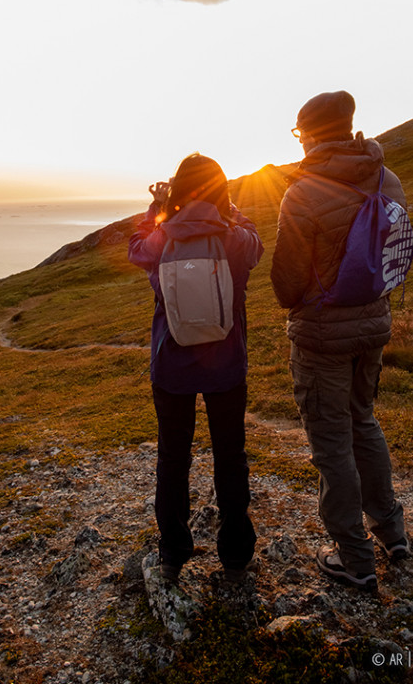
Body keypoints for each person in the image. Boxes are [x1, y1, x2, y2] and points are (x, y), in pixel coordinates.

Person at [270, 91, 409, 592]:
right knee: (363, 421)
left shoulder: (303, 191)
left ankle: (354, 558)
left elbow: (286, 285)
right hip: (373, 324)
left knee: (331, 441)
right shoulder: (385, 177)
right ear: (349, 126)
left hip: (322, 334)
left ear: (308, 134)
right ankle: (392, 532)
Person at [128, 153, 263, 583]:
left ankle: (172, 556)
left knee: (173, 458)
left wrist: (157, 209)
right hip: (226, 365)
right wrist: (227, 208)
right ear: (221, 192)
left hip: (172, 365)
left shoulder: (162, 238)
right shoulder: (234, 238)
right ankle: (237, 559)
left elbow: (135, 249)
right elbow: (256, 242)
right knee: (230, 457)